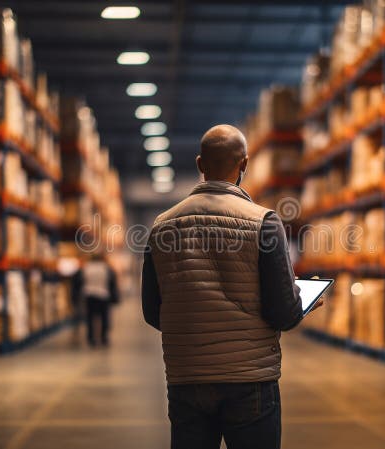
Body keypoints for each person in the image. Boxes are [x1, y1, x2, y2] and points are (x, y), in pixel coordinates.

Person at [141, 124, 307, 449]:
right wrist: (303, 301)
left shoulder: (161, 227)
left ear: (200, 164)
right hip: (250, 381)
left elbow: (153, 311)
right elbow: (283, 313)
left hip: (186, 378)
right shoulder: (264, 222)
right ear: (244, 164)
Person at [73, 253, 119, 346]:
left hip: (89, 295)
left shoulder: (86, 268)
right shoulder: (106, 268)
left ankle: (91, 338)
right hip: (103, 295)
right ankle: (103, 337)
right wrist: (114, 297)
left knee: (90, 317)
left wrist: (76, 296)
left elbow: (78, 281)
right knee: (104, 317)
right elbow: (112, 282)